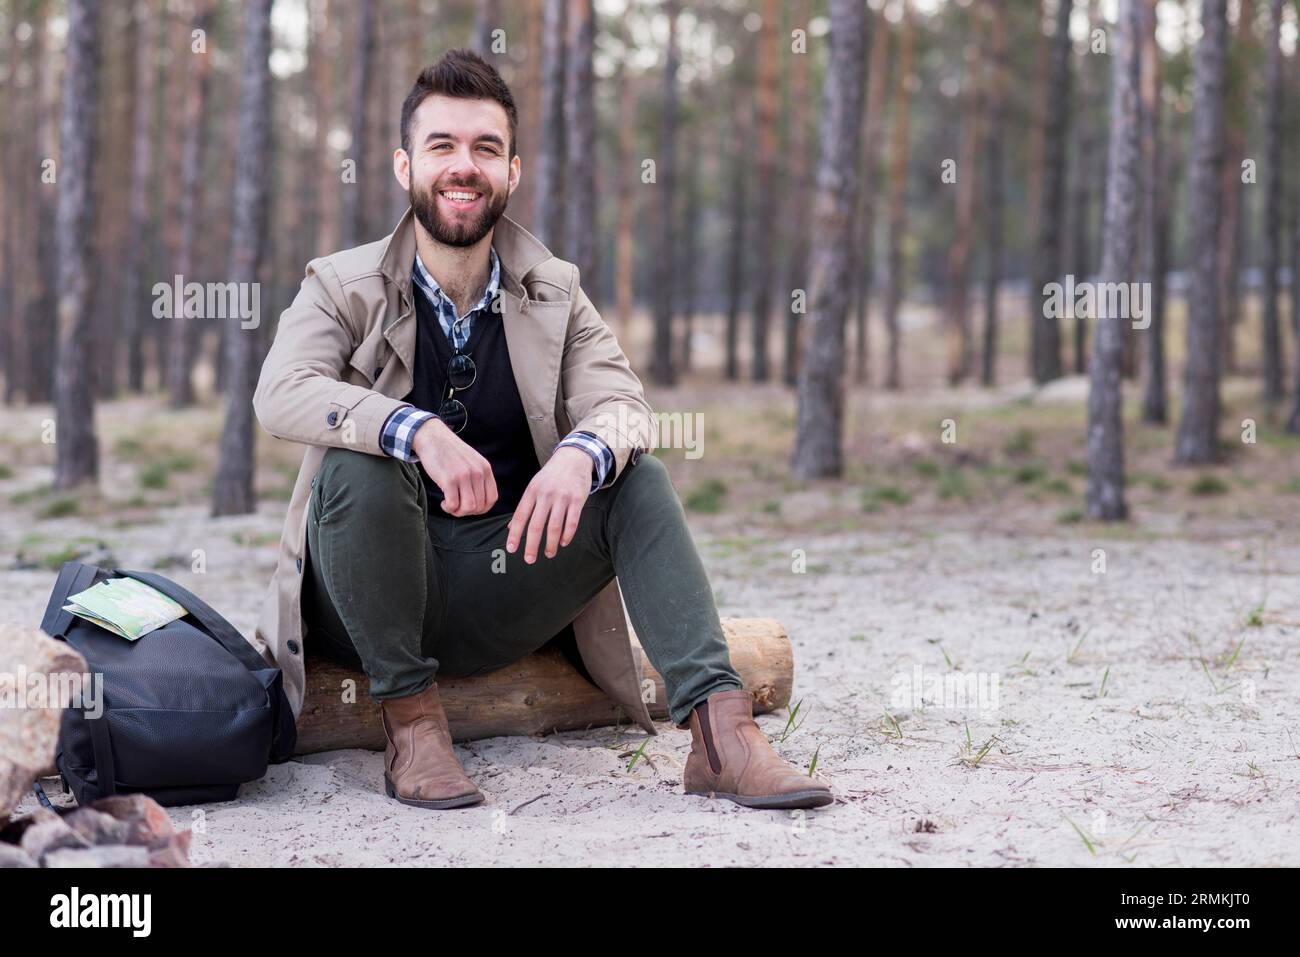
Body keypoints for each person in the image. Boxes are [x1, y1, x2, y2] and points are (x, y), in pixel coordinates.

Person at [252, 48, 832, 812]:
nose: (465, 166)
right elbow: (279, 392)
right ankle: (414, 728)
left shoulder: (554, 289)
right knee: (359, 463)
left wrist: (581, 456)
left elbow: (625, 404)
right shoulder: (340, 283)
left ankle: (722, 738)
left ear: (512, 172)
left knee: (637, 476)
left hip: (496, 586)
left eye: (485, 149)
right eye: (443, 146)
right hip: (358, 599)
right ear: (404, 167)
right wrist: (410, 427)